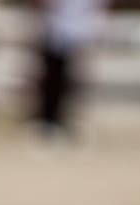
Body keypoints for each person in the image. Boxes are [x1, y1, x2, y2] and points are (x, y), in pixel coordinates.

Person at [33, 0, 107, 136]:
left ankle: (64, 119)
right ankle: (49, 120)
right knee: (54, 79)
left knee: (73, 82)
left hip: (79, 32)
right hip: (58, 33)